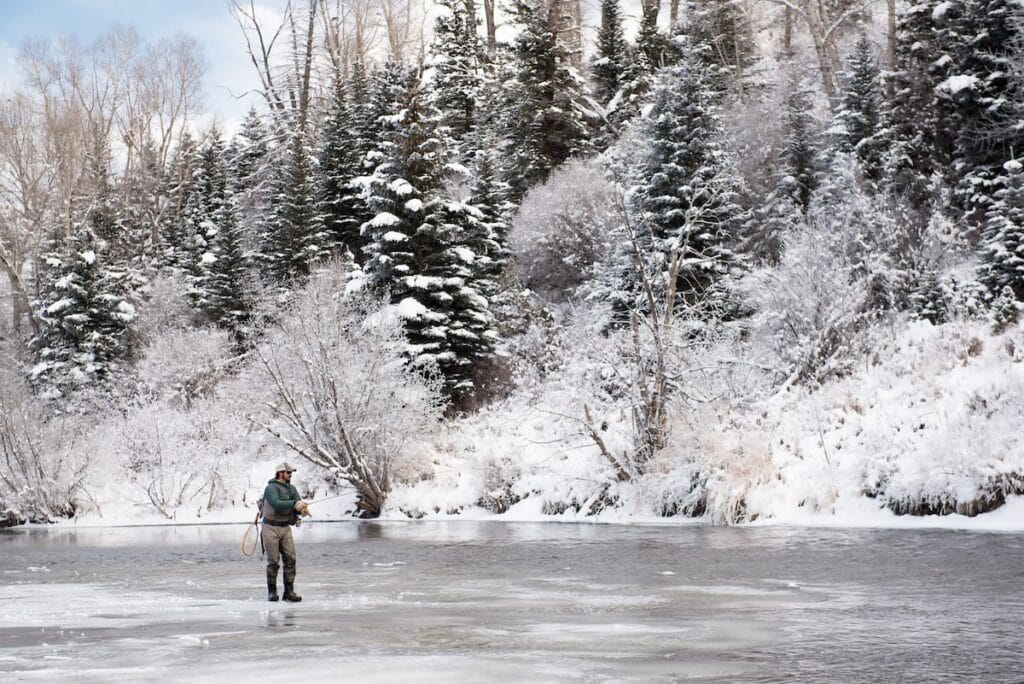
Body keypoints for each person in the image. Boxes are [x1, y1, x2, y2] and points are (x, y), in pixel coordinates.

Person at [261, 462, 310, 602]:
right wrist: (294, 504)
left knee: (290, 559)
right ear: (280, 473)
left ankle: (289, 592)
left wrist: (303, 509)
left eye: (291, 473)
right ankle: (272, 593)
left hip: (285, 528)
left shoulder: (292, 488)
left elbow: (298, 502)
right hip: (270, 528)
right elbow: (276, 504)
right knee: (273, 561)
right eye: (288, 472)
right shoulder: (270, 488)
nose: (290, 475)